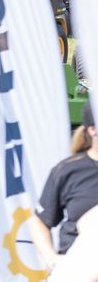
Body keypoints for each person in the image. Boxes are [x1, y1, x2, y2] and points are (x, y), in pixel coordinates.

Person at [29, 102, 98, 280]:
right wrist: (51, 258)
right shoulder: (68, 171)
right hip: (81, 271)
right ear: (93, 130)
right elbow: (40, 221)